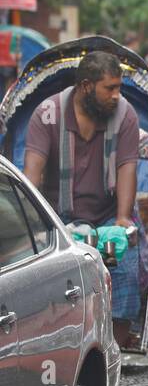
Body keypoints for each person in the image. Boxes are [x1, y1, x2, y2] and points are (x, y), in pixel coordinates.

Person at [23, 50, 140, 345]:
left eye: (119, 88)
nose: (116, 95)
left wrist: (124, 218)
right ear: (87, 86)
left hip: (107, 214)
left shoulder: (125, 114)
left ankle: (116, 351)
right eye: (109, 88)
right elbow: (32, 174)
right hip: (57, 217)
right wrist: (32, 224)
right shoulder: (47, 114)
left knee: (125, 264)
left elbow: (127, 167)